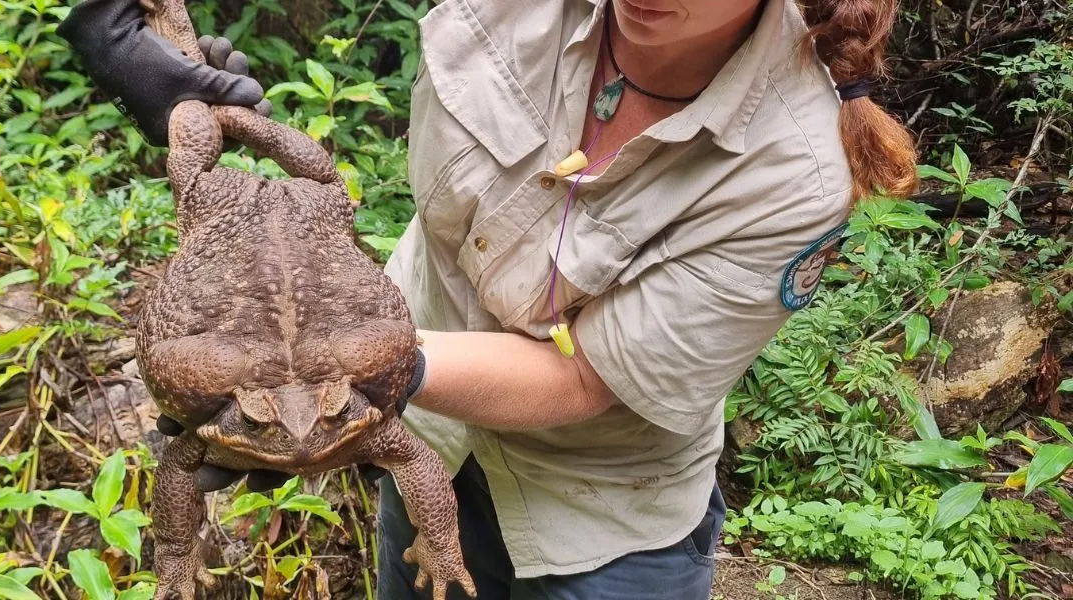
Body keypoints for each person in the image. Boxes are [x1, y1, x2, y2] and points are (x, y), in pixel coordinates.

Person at [57, 0, 917, 598]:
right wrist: (193, 107)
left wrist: (356, 370)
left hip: (597, 513)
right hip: (424, 437)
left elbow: (587, 382)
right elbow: (310, 211)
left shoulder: (794, 172)